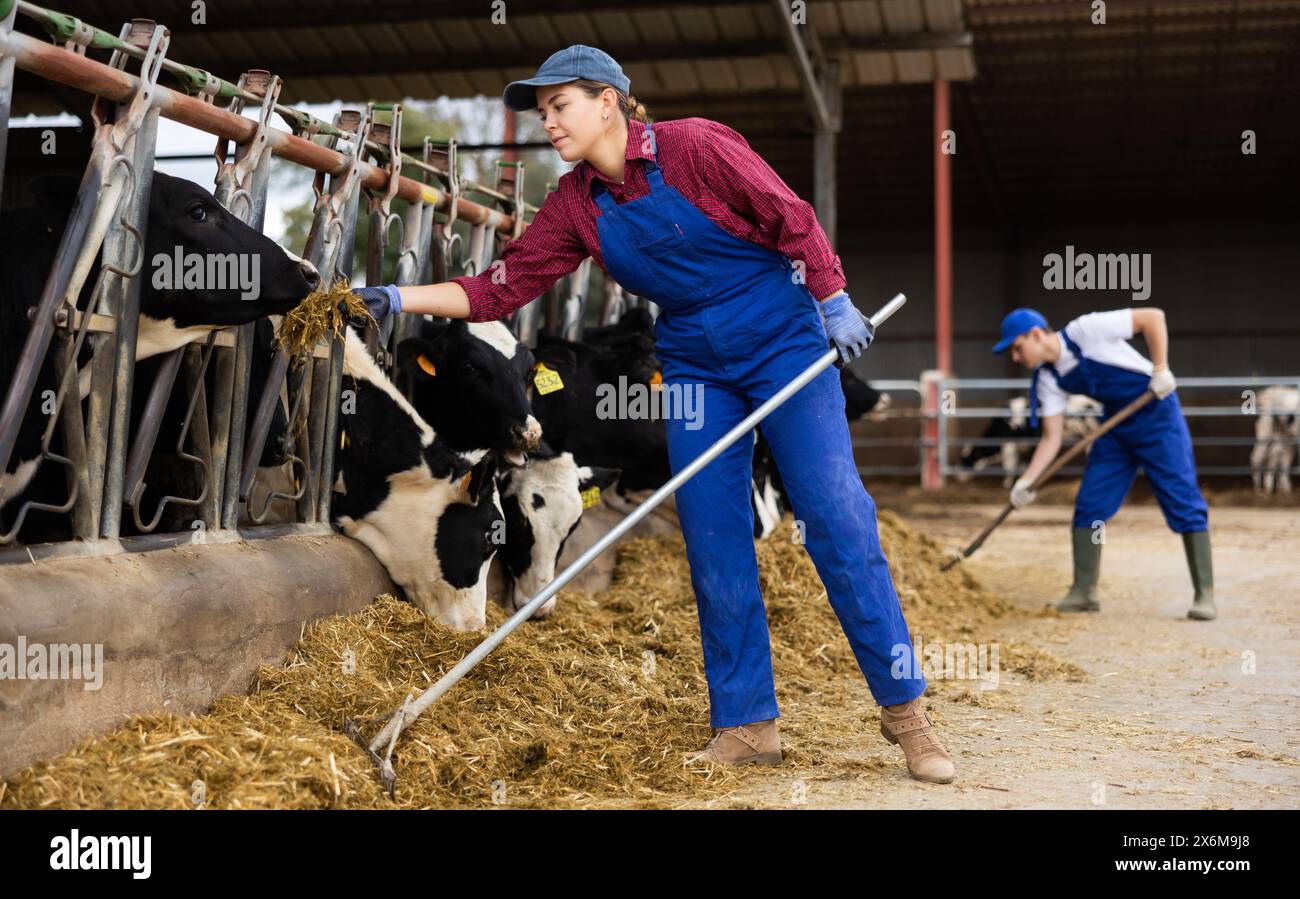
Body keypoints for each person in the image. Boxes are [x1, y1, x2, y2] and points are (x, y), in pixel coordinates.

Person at [353, 45, 955, 783]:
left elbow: (789, 215)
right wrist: (397, 297)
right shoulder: (577, 203)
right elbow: (499, 287)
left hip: (782, 342)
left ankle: (908, 716)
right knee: (711, 532)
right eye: (541, 112)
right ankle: (747, 723)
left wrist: (830, 297)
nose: (548, 123)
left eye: (558, 106)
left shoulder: (695, 146)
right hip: (696, 365)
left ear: (607, 101)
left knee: (837, 515)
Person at [993, 306, 1216, 620]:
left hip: (1158, 415)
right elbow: (1051, 438)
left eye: (1016, 348)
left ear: (1035, 334)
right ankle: (1084, 591)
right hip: (1116, 428)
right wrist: (1027, 482)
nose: (1016, 358)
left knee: (1182, 500)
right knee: (1090, 504)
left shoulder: (1088, 329)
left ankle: (1204, 594)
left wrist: (1160, 369)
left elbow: (1153, 317)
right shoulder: (1047, 378)